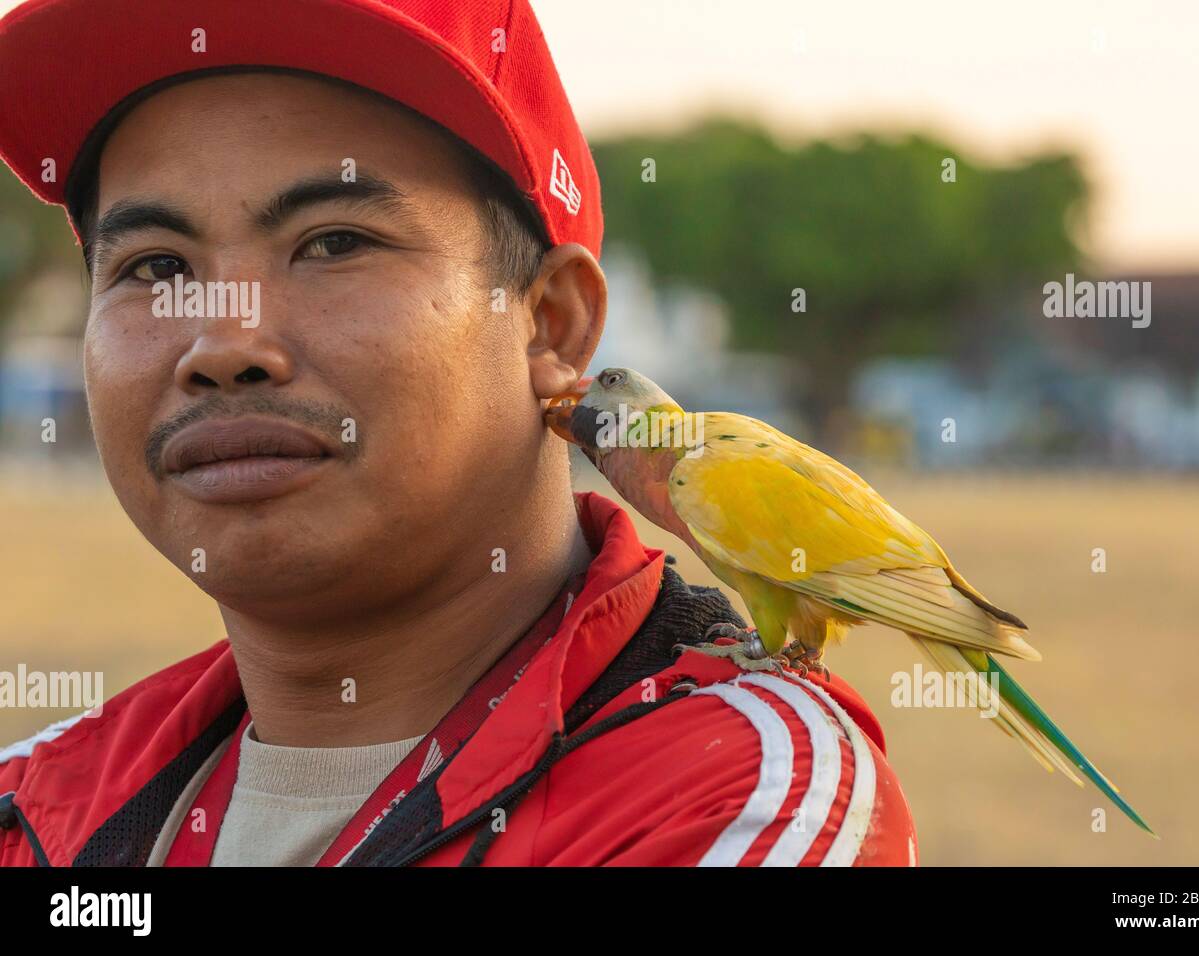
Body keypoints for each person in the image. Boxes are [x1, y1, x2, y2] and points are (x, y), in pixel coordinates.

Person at [0, 0, 915, 866]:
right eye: (155, 266)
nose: (225, 343)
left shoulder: (734, 795)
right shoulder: (34, 805)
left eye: (334, 242)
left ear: (551, 324)